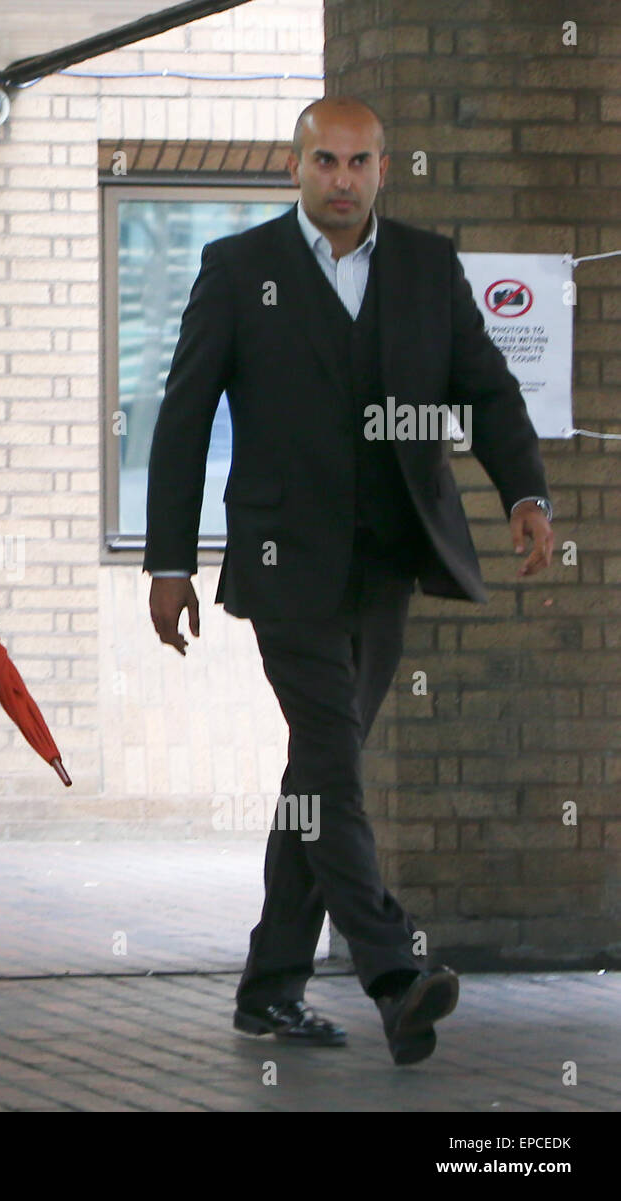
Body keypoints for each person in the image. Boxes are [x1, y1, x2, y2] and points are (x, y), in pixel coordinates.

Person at [143, 97, 553, 1066]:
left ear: (382, 168)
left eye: (358, 161)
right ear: (296, 167)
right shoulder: (238, 269)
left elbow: (486, 388)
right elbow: (183, 415)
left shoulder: (424, 265)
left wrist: (524, 492)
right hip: (283, 562)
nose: (341, 177)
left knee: (316, 774)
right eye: (323, 160)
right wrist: (168, 561)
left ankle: (270, 987)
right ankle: (394, 970)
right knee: (330, 752)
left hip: (387, 562)